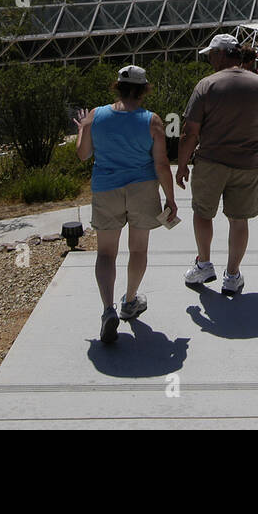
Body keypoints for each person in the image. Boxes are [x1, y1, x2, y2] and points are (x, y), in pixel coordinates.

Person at [74, 65, 178, 344]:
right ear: (145, 89)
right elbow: (161, 163)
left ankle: (108, 309)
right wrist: (170, 198)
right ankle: (130, 300)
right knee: (138, 249)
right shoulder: (152, 120)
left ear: (117, 86)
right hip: (142, 188)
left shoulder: (96, 115)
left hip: (106, 188)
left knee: (106, 253)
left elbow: (83, 155)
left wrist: (83, 129)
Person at [176, 33, 258, 295]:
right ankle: (232, 274)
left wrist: (183, 163)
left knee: (202, 213)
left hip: (211, 161)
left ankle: (204, 263)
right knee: (239, 220)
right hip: (246, 163)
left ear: (221, 54)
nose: (209, 59)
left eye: (211, 54)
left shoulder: (206, 85)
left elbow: (190, 131)